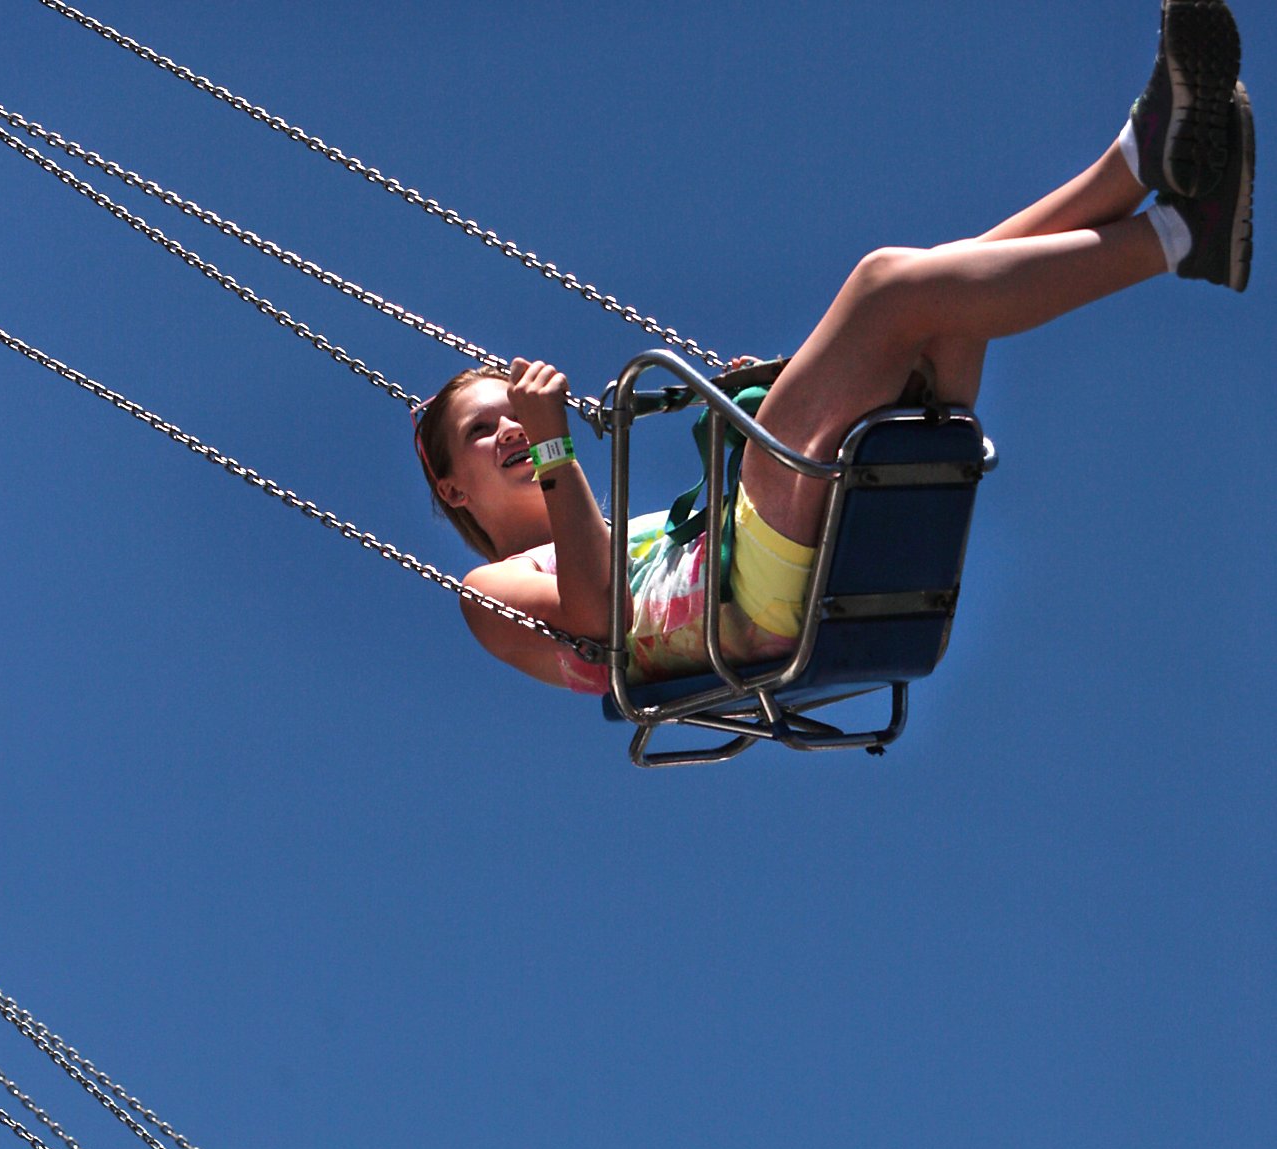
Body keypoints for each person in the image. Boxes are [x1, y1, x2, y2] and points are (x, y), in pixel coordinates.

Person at [413, 2, 1253, 696]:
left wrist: (773, 401)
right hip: (750, 602)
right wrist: (557, 441)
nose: (512, 432)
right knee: (891, 284)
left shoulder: (616, 531)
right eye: (486, 430)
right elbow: (597, 619)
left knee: (943, 299)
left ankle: (1145, 169)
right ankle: (1176, 229)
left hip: (771, 557)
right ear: (452, 486)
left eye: (510, 417)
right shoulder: (489, 593)